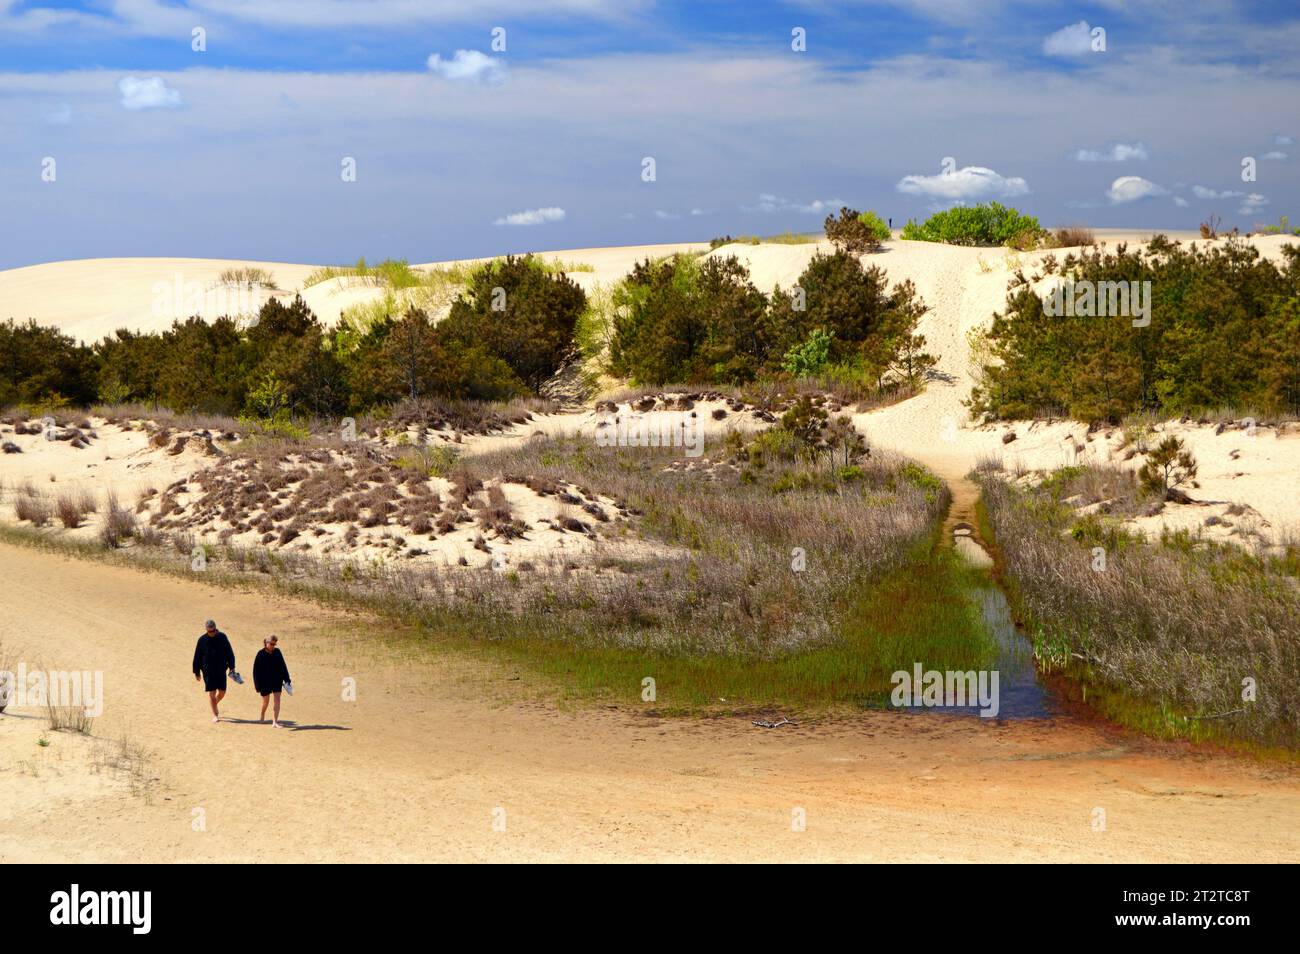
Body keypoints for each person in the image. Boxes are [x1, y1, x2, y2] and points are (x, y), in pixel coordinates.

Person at [192, 619, 236, 723]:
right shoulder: (202, 640)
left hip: (221, 669)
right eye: (209, 631)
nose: (211, 633)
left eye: (213, 631)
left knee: (222, 692)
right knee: (212, 693)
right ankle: (215, 714)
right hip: (208, 671)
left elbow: (229, 652)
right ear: (206, 630)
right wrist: (196, 672)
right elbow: (197, 656)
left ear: (215, 629)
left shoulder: (222, 637)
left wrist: (232, 666)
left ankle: (214, 704)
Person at [253, 635, 292, 728]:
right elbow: (256, 671)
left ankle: (275, 722)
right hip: (264, 681)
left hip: (276, 680)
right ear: (266, 643)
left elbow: (283, 666)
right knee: (266, 702)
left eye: (274, 644)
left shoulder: (277, 652)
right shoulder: (260, 654)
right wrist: (257, 685)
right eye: (271, 644)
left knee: (277, 700)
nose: (273, 646)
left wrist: (287, 679)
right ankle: (262, 714)